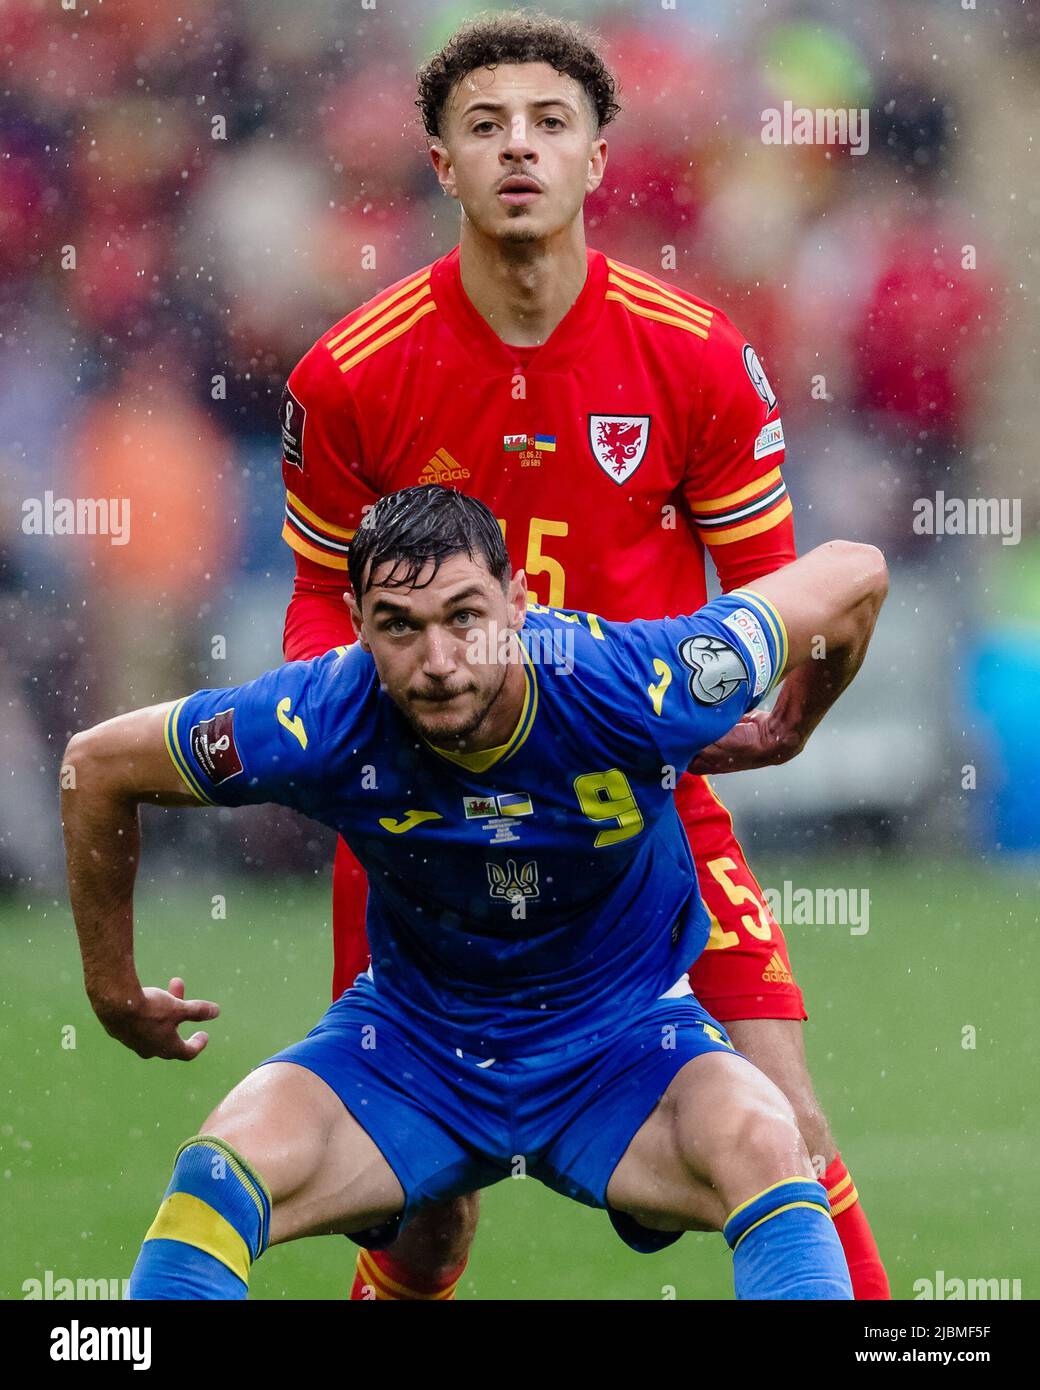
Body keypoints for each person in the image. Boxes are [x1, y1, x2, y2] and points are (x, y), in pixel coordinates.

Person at [276, 12, 890, 1297]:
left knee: (788, 1131)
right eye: (484, 125)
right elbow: (315, 615)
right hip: (420, 821)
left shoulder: (697, 356)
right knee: (416, 1219)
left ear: (599, 158)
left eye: (549, 124)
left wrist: (787, 719)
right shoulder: (347, 376)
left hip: (642, 804)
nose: (518, 150)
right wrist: (347, 740)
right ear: (438, 163)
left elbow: (784, 598)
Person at [62, 486, 887, 1301]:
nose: (440, 662)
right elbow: (95, 768)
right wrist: (111, 993)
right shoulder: (316, 716)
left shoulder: (639, 685)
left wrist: (788, 729)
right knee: (216, 1175)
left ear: (518, 601)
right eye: (400, 627)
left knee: (768, 1143)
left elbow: (855, 571)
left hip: (628, 1048)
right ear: (357, 626)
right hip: (414, 1052)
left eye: (465, 617)